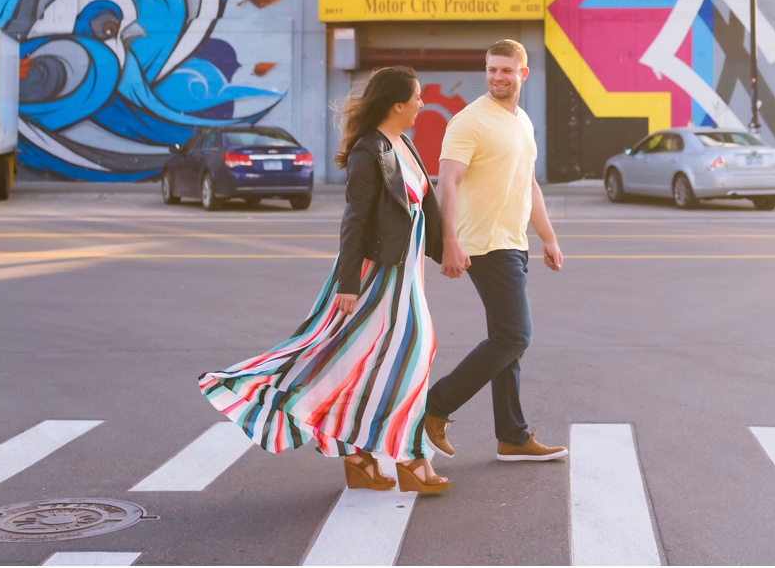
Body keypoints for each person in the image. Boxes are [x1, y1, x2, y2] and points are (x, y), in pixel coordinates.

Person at [198, 66, 451, 494]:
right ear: (396, 104)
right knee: (406, 354)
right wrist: (348, 284)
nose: (422, 104)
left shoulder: (403, 144)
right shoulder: (368, 151)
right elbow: (354, 221)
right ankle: (409, 457)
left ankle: (359, 457)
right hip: (376, 278)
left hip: (405, 275)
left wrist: (448, 252)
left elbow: (425, 207)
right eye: (417, 98)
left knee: (364, 362)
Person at [423, 39, 568, 463]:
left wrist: (548, 236)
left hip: (513, 241)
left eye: (507, 70)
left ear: (523, 74)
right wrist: (450, 240)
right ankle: (435, 406)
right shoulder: (469, 122)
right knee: (514, 334)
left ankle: (512, 436)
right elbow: (446, 182)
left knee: (507, 342)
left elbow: (528, 184)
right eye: (491, 69)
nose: (498, 77)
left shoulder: (522, 121)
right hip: (484, 244)